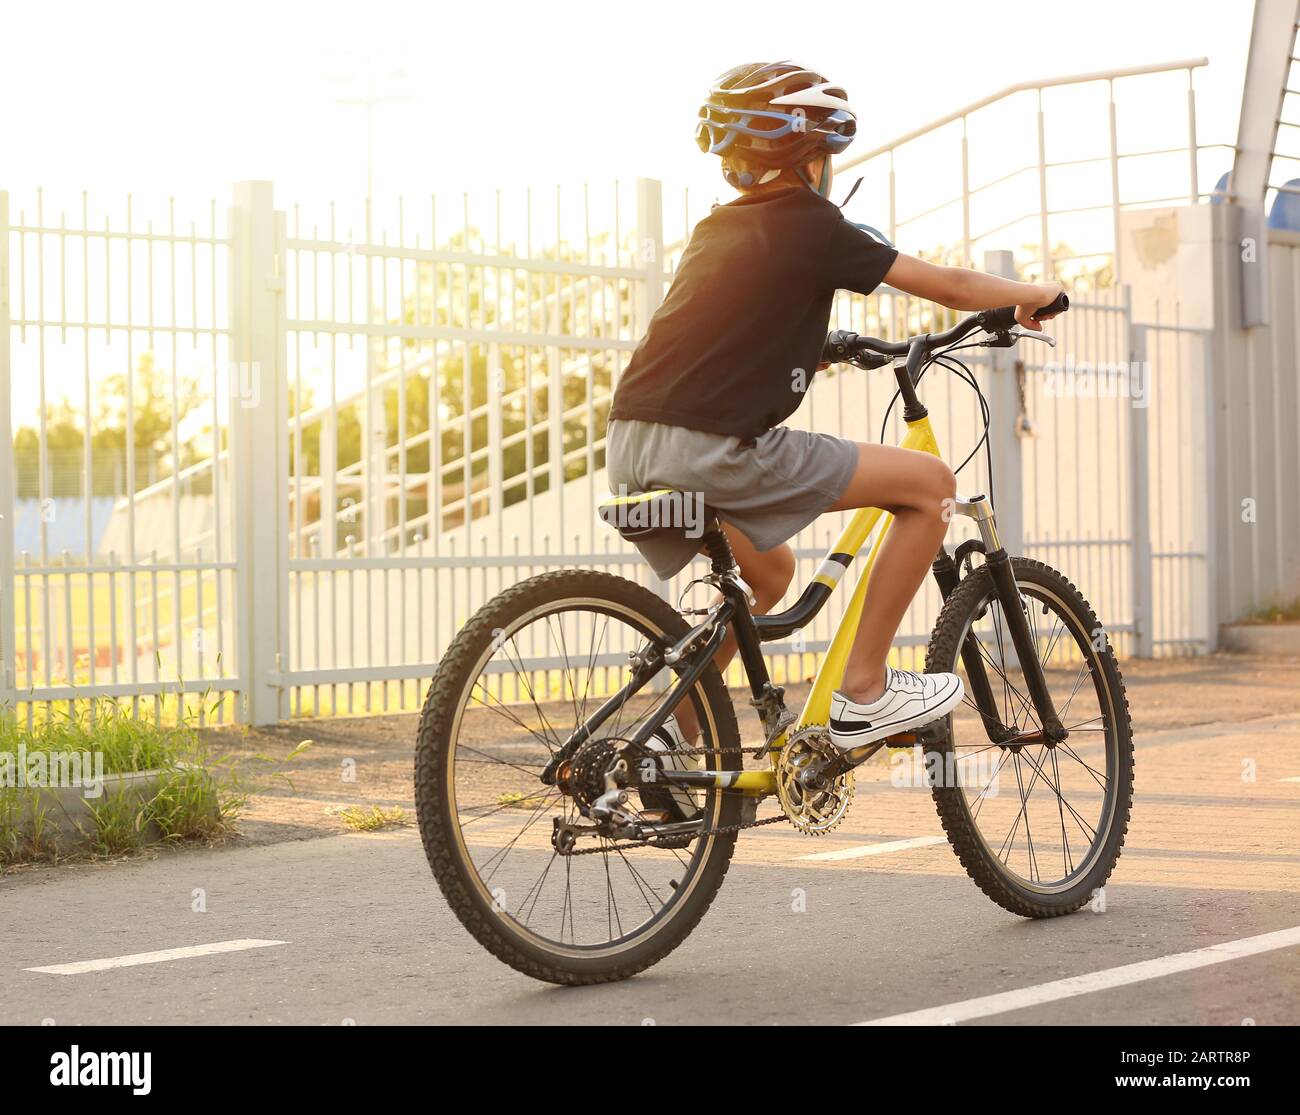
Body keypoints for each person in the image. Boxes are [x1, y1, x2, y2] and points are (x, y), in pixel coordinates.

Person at [606, 60, 1063, 754]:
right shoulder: (815, 225)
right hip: (711, 450)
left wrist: (807, 346)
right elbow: (947, 285)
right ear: (812, 156)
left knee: (771, 574)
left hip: (632, 446)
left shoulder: (717, 228)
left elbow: (718, 327)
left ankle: (670, 737)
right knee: (931, 485)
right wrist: (1030, 293)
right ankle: (865, 688)